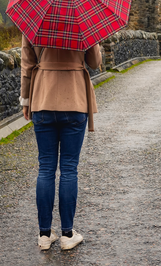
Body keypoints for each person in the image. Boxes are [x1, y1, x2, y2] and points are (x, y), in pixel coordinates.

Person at [20, 35, 101, 252]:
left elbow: (27, 65)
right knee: (68, 169)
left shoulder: (35, 18)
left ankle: (45, 235)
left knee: (46, 168)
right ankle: (67, 234)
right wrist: (94, 40)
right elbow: (94, 62)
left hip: (42, 96)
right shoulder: (83, 20)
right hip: (75, 99)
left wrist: (26, 100)